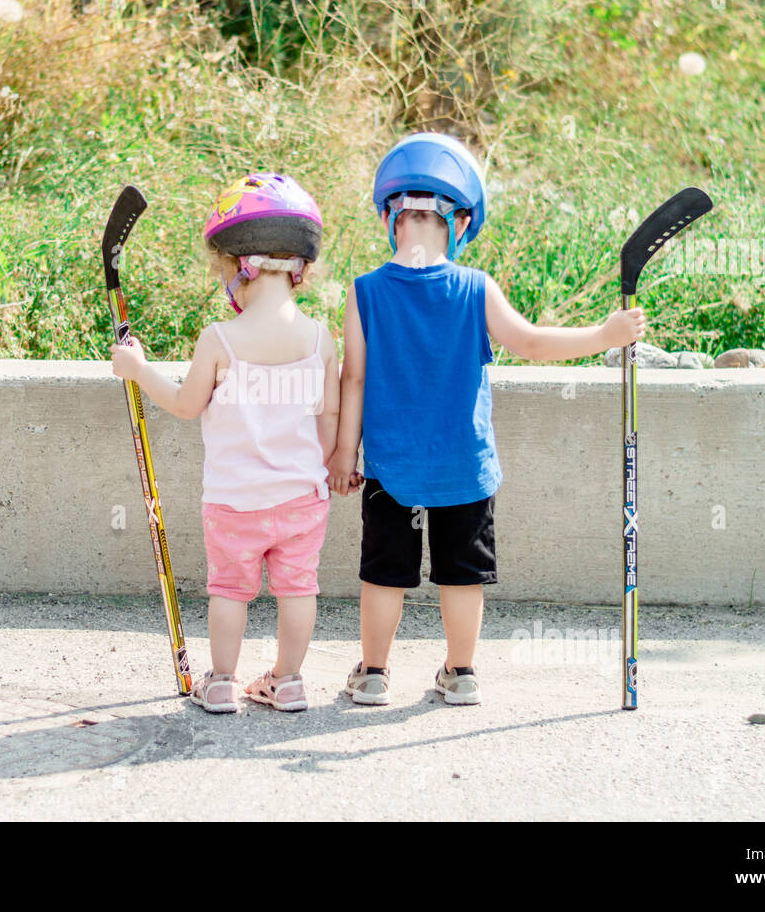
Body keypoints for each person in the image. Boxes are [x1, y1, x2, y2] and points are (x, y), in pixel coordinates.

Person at [327, 133, 646, 706]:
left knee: (384, 574)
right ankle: (461, 673)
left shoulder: (364, 292)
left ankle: (373, 674)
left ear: (389, 215)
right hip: (465, 468)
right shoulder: (475, 287)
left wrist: (343, 457)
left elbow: (352, 378)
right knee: (461, 575)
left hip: (390, 468)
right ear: (461, 219)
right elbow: (527, 342)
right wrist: (604, 335)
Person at [112, 173, 340, 714]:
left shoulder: (220, 339)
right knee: (298, 589)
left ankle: (220, 682)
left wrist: (139, 369)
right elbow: (327, 417)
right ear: (300, 269)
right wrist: (331, 465)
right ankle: (287, 681)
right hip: (302, 499)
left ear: (241, 266)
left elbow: (187, 405)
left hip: (233, 500)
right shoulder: (319, 338)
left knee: (230, 590)